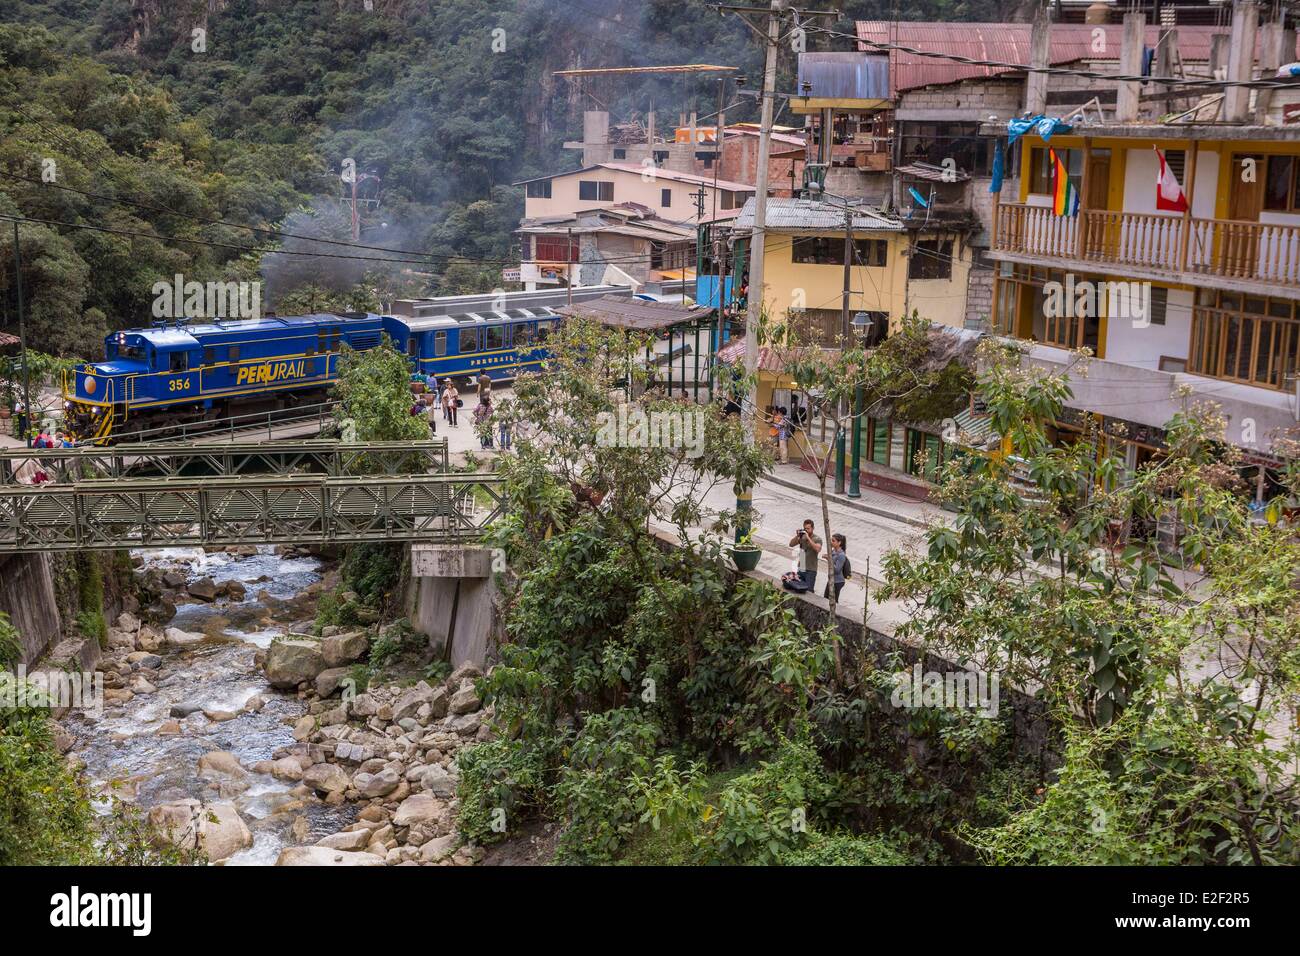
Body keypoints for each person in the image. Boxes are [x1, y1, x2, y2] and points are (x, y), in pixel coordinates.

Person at [788, 519, 822, 593]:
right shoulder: (802, 537)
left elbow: (818, 549)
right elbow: (791, 544)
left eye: (808, 529)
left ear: (813, 528)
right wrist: (797, 536)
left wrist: (808, 538)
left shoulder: (817, 539)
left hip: (811, 569)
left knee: (809, 591)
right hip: (801, 567)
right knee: (798, 588)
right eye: (805, 528)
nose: (806, 530)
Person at [823, 534, 847, 602]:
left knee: (833, 600)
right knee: (825, 598)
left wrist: (828, 559)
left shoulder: (841, 555)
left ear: (839, 543)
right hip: (831, 579)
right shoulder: (834, 551)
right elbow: (831, 555)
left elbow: (837, 570)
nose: (831, 542)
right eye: (831, 540)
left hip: (837, 581)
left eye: (833, 541)